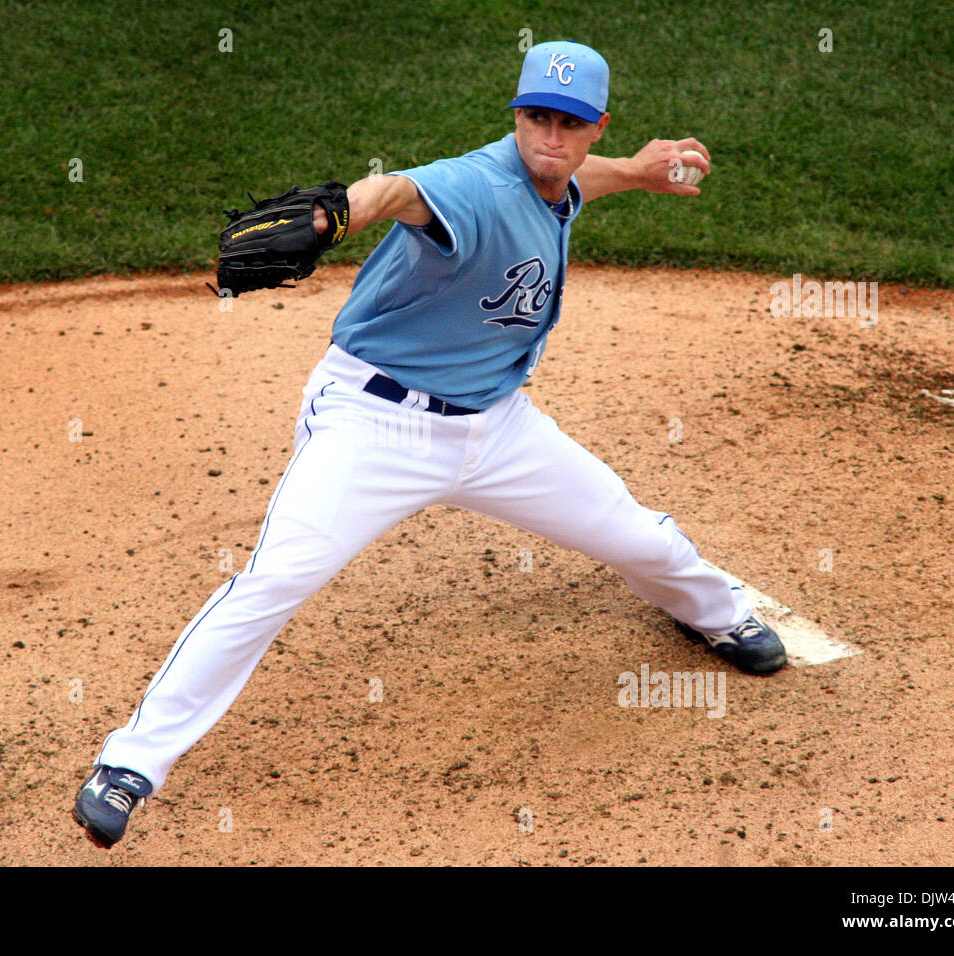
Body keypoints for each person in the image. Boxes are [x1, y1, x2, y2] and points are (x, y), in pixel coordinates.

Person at [72, 40, 786, 849]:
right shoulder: (474, 184)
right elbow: (402, 193)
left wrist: (638, 169)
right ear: (515, 117)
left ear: (596, 126)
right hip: (377, 426)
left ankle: (717, 617)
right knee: (276, 579)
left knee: (629, 530)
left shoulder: (561, 175)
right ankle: (130, 766)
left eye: (570, 123)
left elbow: (574, 181)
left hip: (497, 427)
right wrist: (333, 215)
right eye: (536, 119)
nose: (550, 137)